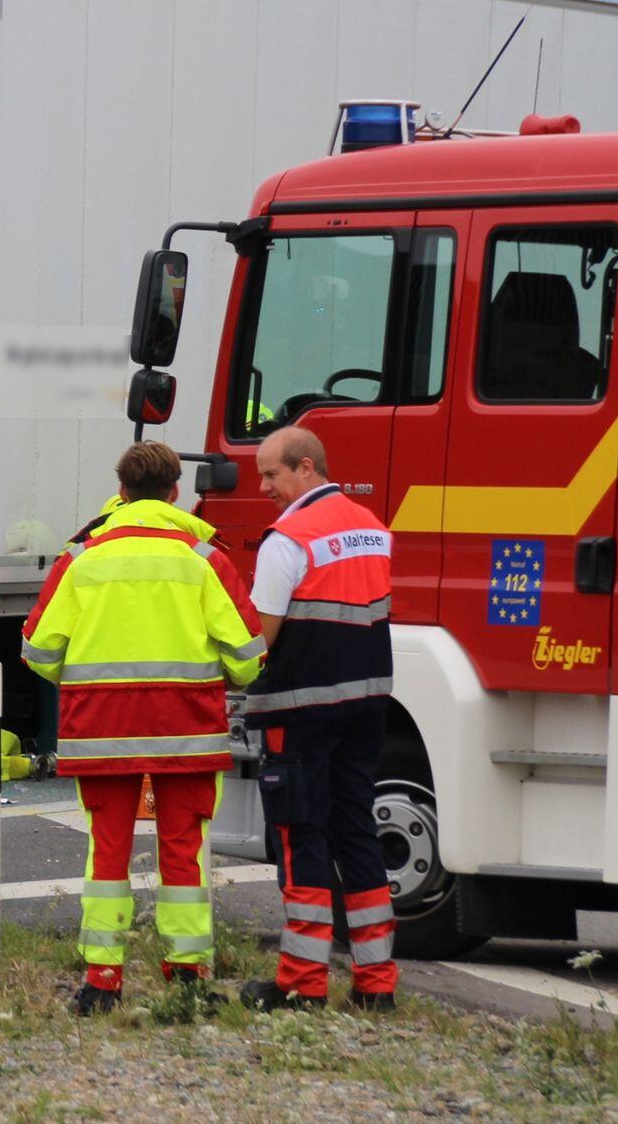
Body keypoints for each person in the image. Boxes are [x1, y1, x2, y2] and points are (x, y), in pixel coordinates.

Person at [22, 442, 266, 1015]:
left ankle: (102, 981)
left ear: (122, 492)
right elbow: (249, 658)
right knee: (185, 853)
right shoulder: (203, 560)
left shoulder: (82, 560)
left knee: (106, 854)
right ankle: (188, 977)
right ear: (175, 492)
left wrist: (86, 679)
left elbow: (37, 651)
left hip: (102, 732)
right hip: (188, 733)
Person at [238, 425, 399, 1013]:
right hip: (366, 706)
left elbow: (260, 639)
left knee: (300, 836)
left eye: (271, 474)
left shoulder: (289, 539)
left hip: (300, 711)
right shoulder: (372, 528)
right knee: (357, 832)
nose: (263, 487)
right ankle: (375, 984)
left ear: (306, 468)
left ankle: (302, 983)